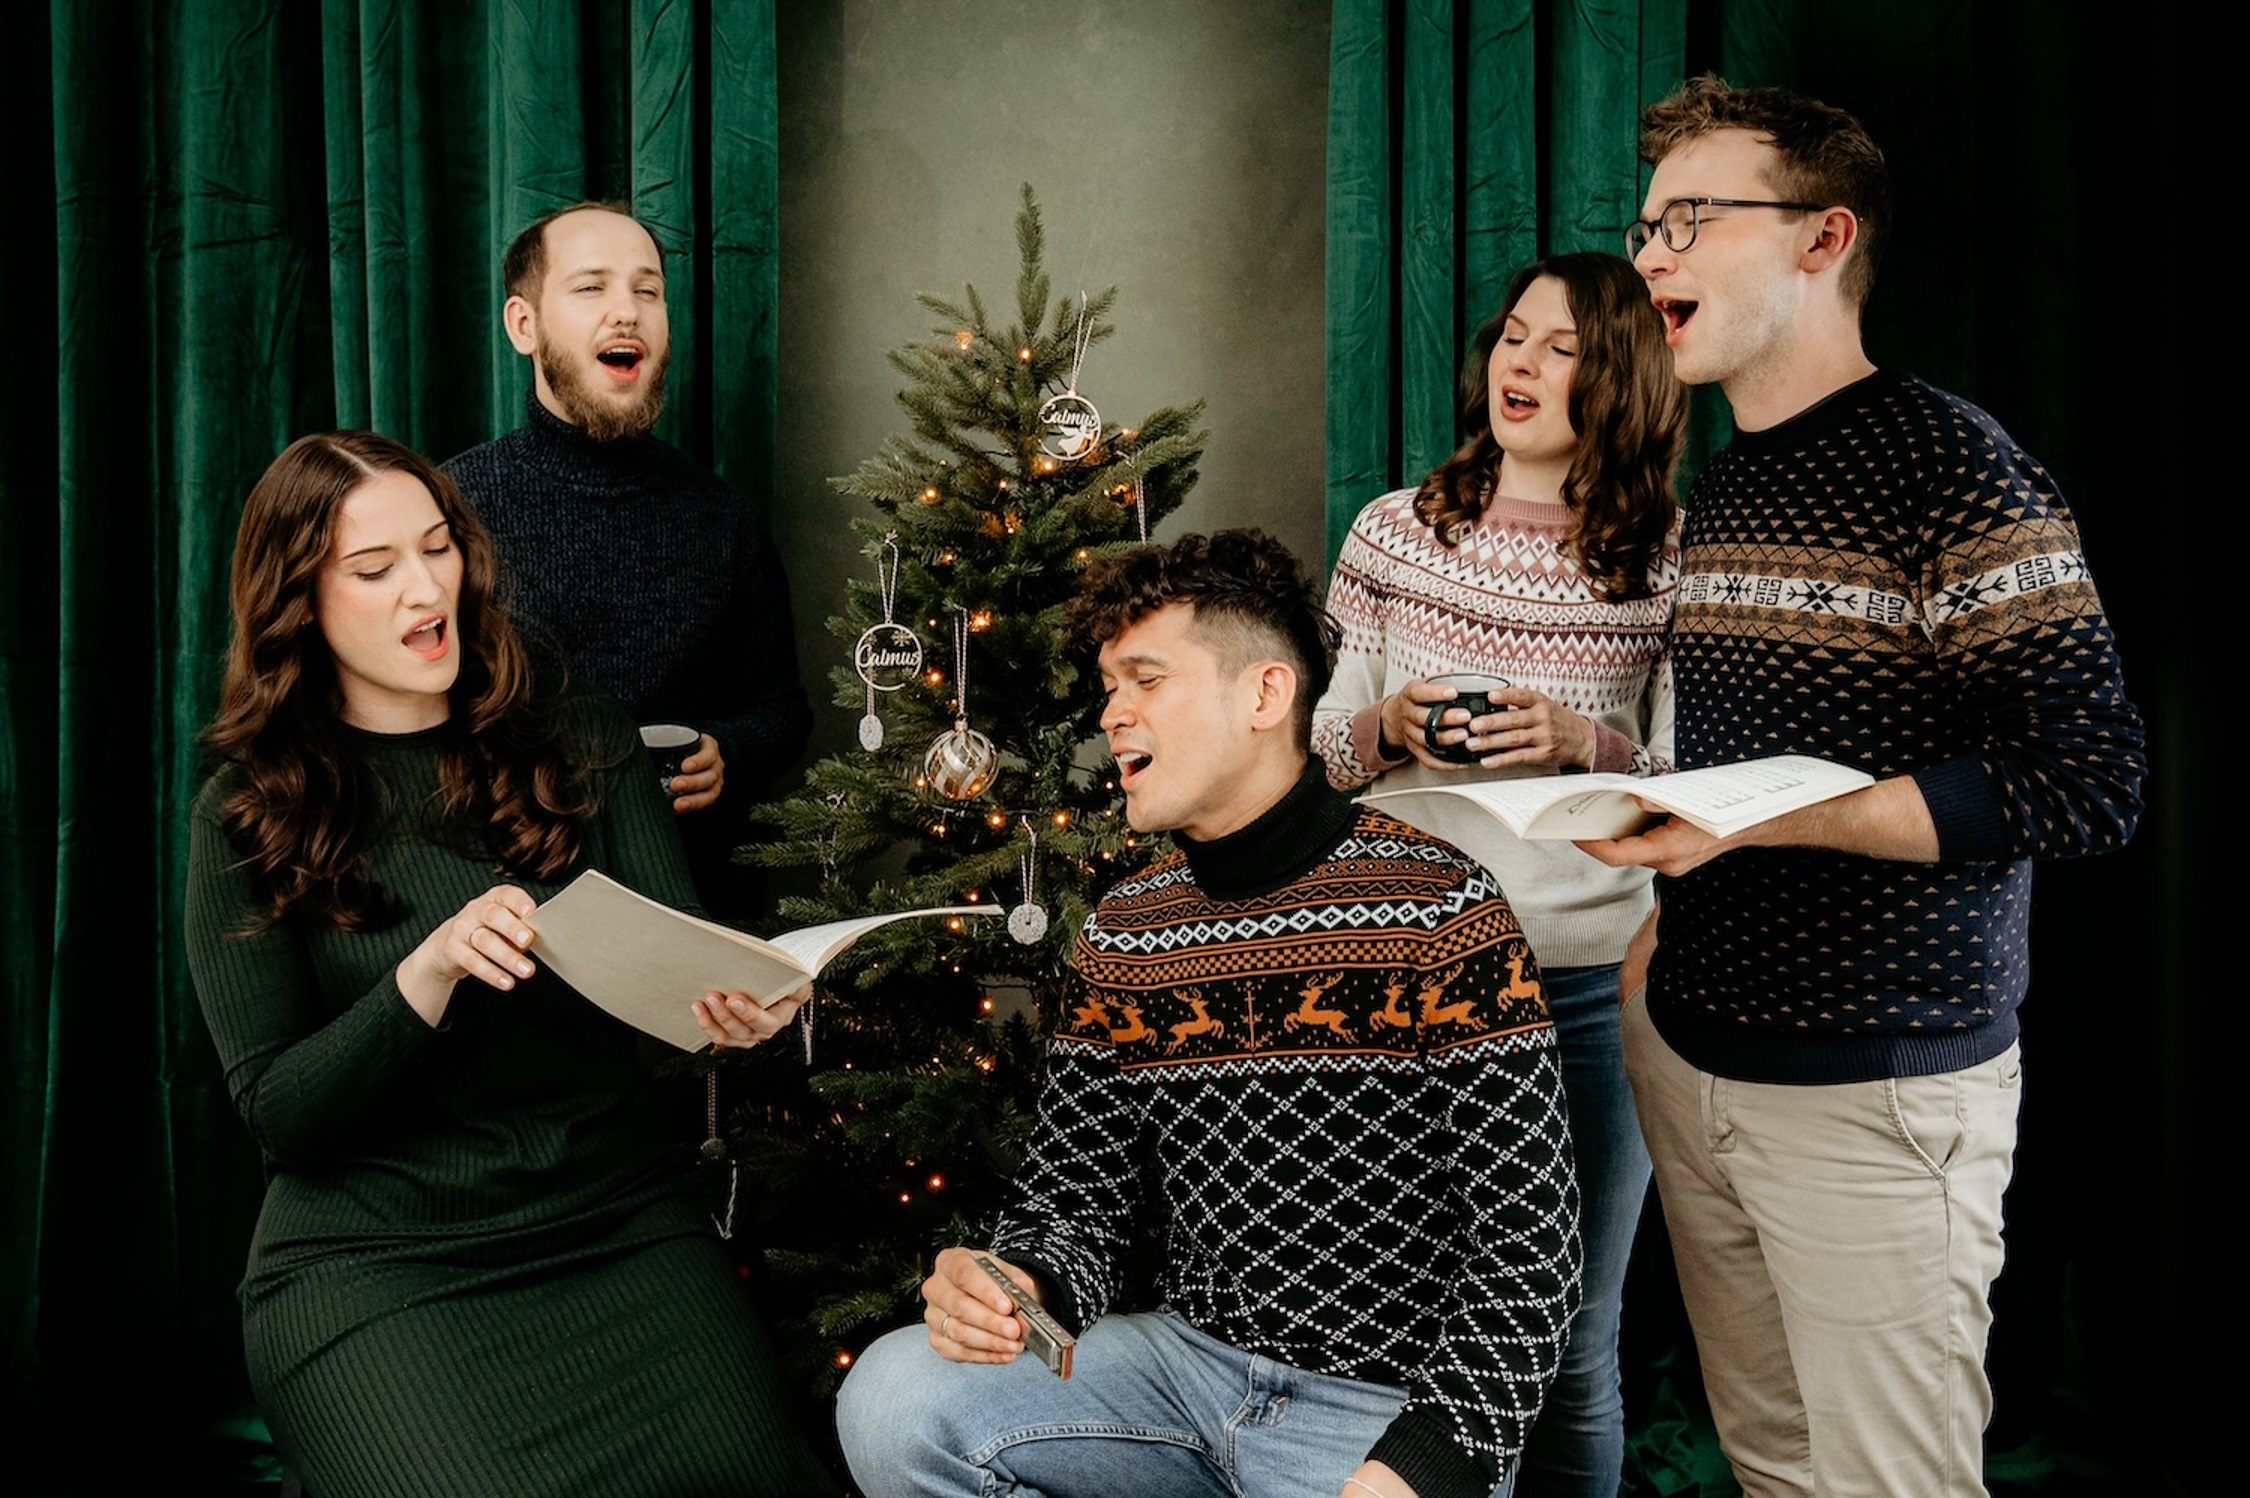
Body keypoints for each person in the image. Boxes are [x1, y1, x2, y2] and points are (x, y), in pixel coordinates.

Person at [1579, 77, 2147, 1498]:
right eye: (1644, 225)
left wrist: (1772, 815)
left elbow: (2087, 777)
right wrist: (1659, 919)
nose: (1648, 257)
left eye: (1689, 220)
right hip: (1690, 1059)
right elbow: (1734, 758)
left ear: (1822, 238)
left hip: (1877, 1100)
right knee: (1771, 1464)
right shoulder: (1727, 486)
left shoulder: (1955, 467)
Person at [835, 530, 1582, 1498]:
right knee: (897, 1395)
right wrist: (1015, 1283)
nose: (1113, 714)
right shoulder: (1126, 928)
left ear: (1265, 695)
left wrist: (1414, 1471)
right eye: (1109, 686)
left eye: (1145, 679)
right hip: (1186, 1374)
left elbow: (1532, 1247)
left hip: (1381, 1415)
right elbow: (1076, 1202)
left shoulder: (1442, 907)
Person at [184, 431, 835, 1498]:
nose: (425, 588)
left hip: (614, 1223)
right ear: (301, 599)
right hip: (376, 1267)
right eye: (375, 566)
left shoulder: (583, 735)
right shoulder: (248, 815)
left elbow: (672, 981)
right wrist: (426, 975)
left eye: (438, 548)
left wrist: (723, 1012)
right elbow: (280, 1113)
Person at [1312, 250, 1685, 1498]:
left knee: (1569, 1342)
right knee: (1407, 1328)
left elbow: (1694, 782)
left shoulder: (1663, 559)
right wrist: (1392, 725)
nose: (1520, 366)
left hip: (1585, 988)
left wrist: (1589, 742)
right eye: (1513, 337)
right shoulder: (1391, 531)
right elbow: (1318, 748)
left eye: (1562, 347)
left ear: (1621, 375)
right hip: (1406, 984)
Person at [444, 201, 811, 913]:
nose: (627, 312)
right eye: (591, 288)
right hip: (510, 917)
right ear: (524, 325)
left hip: (692, 913)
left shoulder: (722, 515)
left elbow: (782, 708)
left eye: (646, 291)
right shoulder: (453, 507)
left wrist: (728, 751)